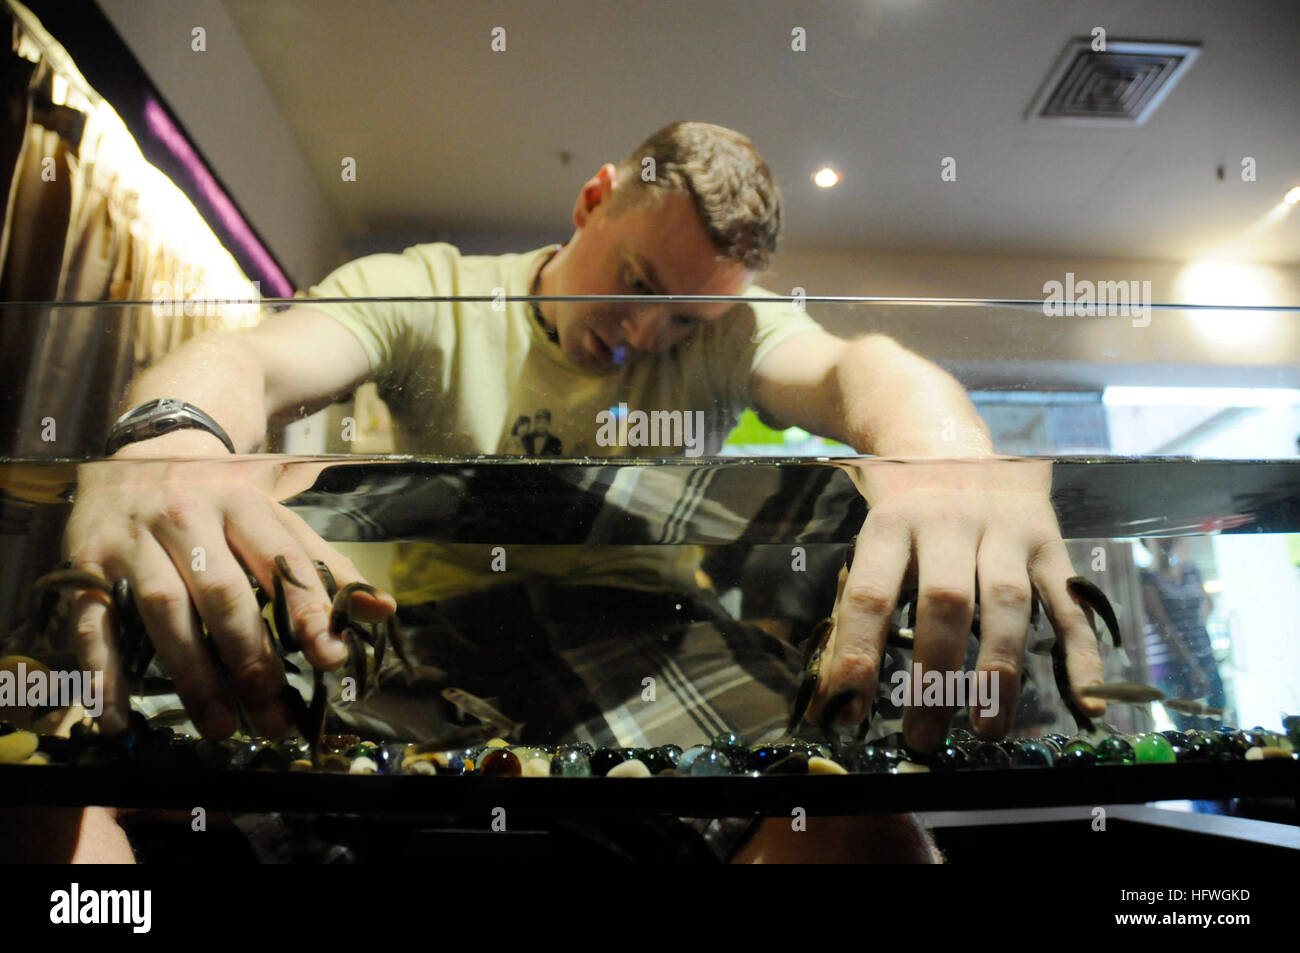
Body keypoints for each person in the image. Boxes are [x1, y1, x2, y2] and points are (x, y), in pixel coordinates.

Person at [45, 121, 1108, 863]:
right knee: (73, 796)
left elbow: (848, 368)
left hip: (642, 634)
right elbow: (261, 363)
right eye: (640, 287)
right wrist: (171, 437)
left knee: (869, 836)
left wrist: (941, 444)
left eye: (684, 324)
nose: (646, 337)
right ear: (593, 198)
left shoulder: (732, 327)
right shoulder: (431, 286)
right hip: (403, 628)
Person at [1139, 538, 1228, 731]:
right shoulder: (1146, 577)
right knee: (1190, 730)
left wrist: (1196, 636)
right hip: (1171, 666)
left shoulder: (1190, 571)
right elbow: (1162, 625)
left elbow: (1207, 604)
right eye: (1158, 537)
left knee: (1217, 723)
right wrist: (1190, 664)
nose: (1165, 540)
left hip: (1204, 657)